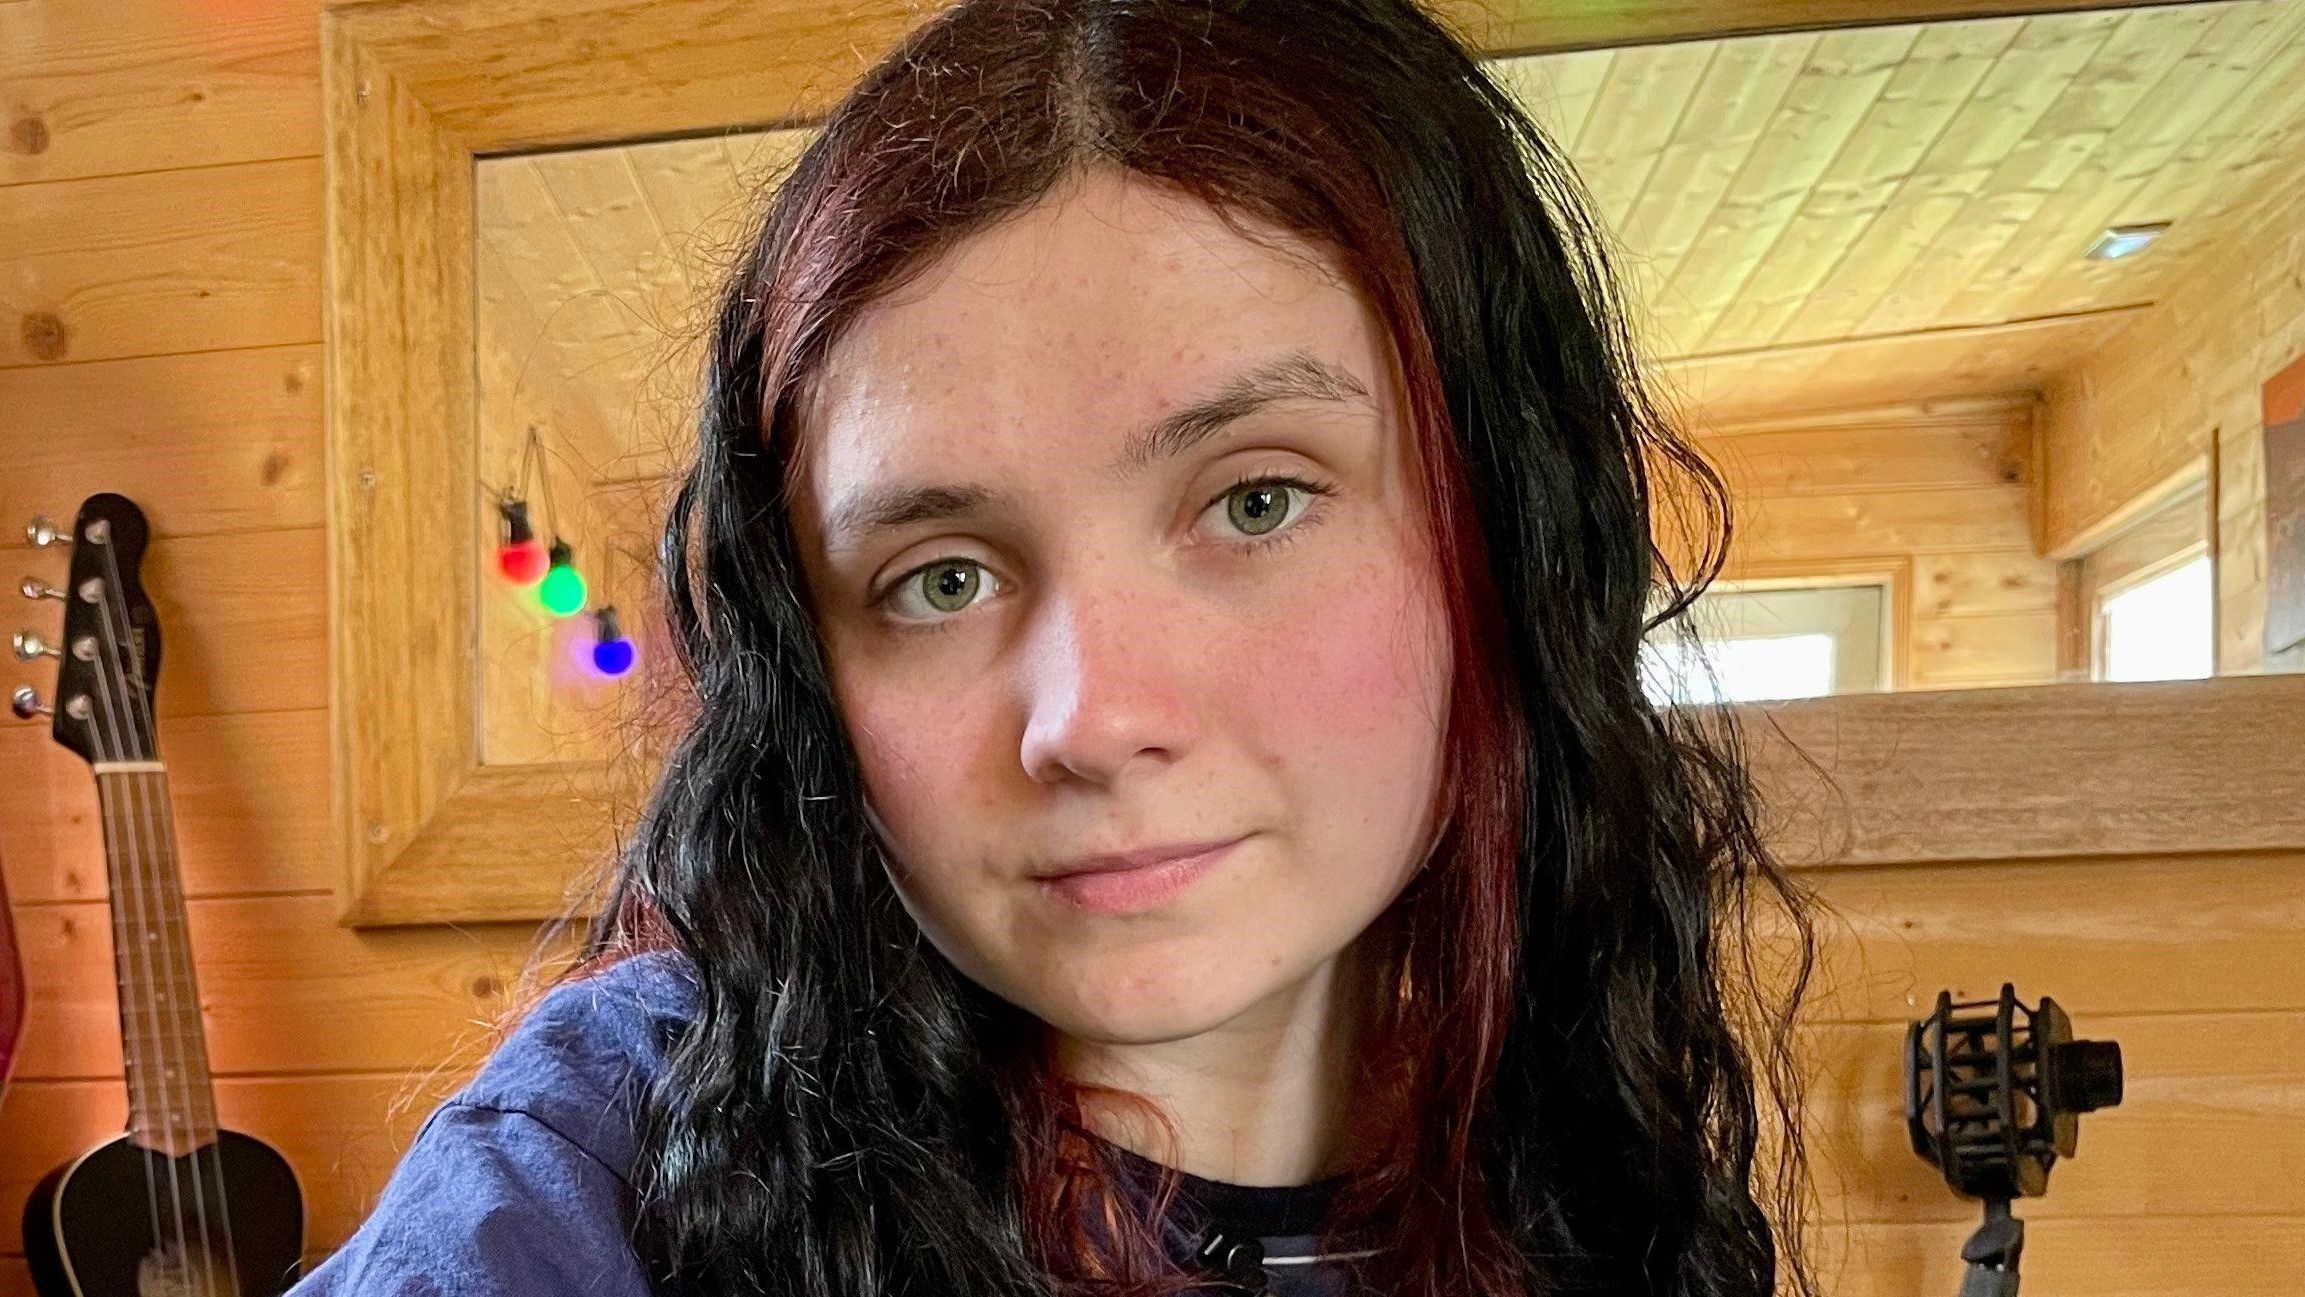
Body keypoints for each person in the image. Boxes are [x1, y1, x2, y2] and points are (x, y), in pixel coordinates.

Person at [288, 1, 1826, 1294]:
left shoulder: (1584, 1157)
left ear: (1500, 532)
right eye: (941, 579)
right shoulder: (607, 1164)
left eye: (1255, 500)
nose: (1090, 718)